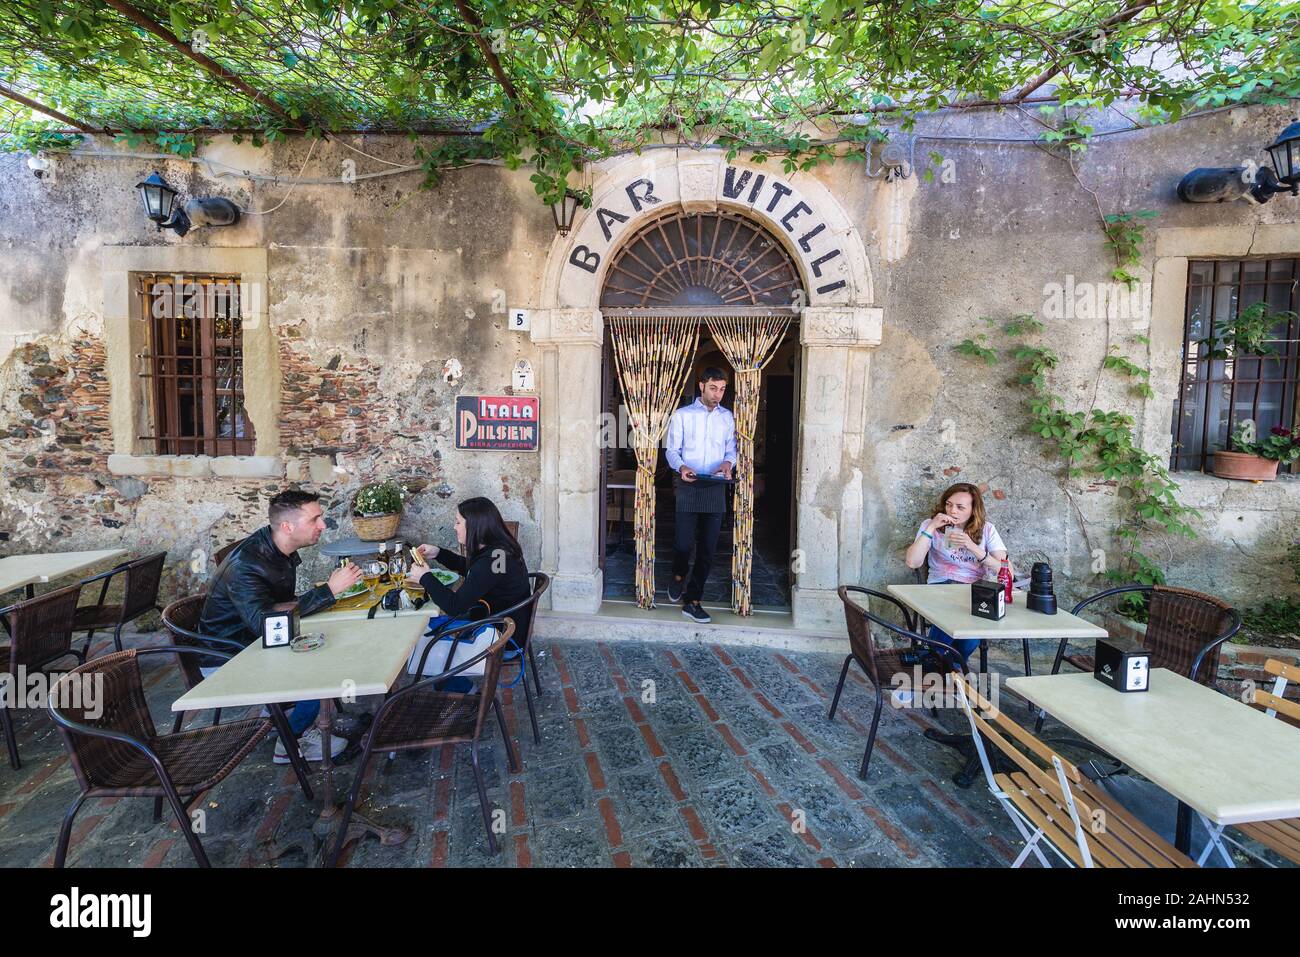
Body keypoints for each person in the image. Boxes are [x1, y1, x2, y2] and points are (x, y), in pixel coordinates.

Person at [200, 489, 363, 763]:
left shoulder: (277, 547)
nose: (322, 526)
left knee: (338, 641)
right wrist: (328, 592)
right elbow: (265, 625)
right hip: (229, 657)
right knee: (325, 664)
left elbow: (280, 606)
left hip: (251, 641)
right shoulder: (247, 565)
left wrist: (328, 596)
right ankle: (290, 739)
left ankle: (283, 714)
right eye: (315, 520)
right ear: (288, 526)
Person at [407, 496, 531, 692]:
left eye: (458, 522)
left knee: (422, 643)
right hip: (504, 625)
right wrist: (439, 553)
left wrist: (425, 578)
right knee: (428, 632)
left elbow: (455, 606)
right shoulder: (498, 551)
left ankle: (466, 694)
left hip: (502, 640)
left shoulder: (493, 560)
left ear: (475, 526)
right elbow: (476, 572)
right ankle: (459, 689)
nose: (454, 527)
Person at [903, 482, 1009, 664]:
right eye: (949, 504)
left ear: (973, 510)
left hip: (974, 589)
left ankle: (937, 662)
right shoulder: (931, 525)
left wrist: (973, 547)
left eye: (960, 507)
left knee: (971, 635)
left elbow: (1006, 571)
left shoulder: (987, 529)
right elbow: (913, 562)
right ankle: (949, 667)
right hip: (941, 585)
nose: (953, 511)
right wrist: (931, 528)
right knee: (951, 616)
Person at [664, 366, 737, 624]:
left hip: (715, 487)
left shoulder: (727, 417)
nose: (718, 394)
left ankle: (693, 600)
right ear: (702, 386)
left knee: (708, 549)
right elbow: (671, 450)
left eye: (722, 389)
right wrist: (682, 466)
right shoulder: (682, 415)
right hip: (689, 485)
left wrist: (728, 464)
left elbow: (731, 451)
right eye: (714, 388)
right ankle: (678, 575)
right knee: (683, 544)